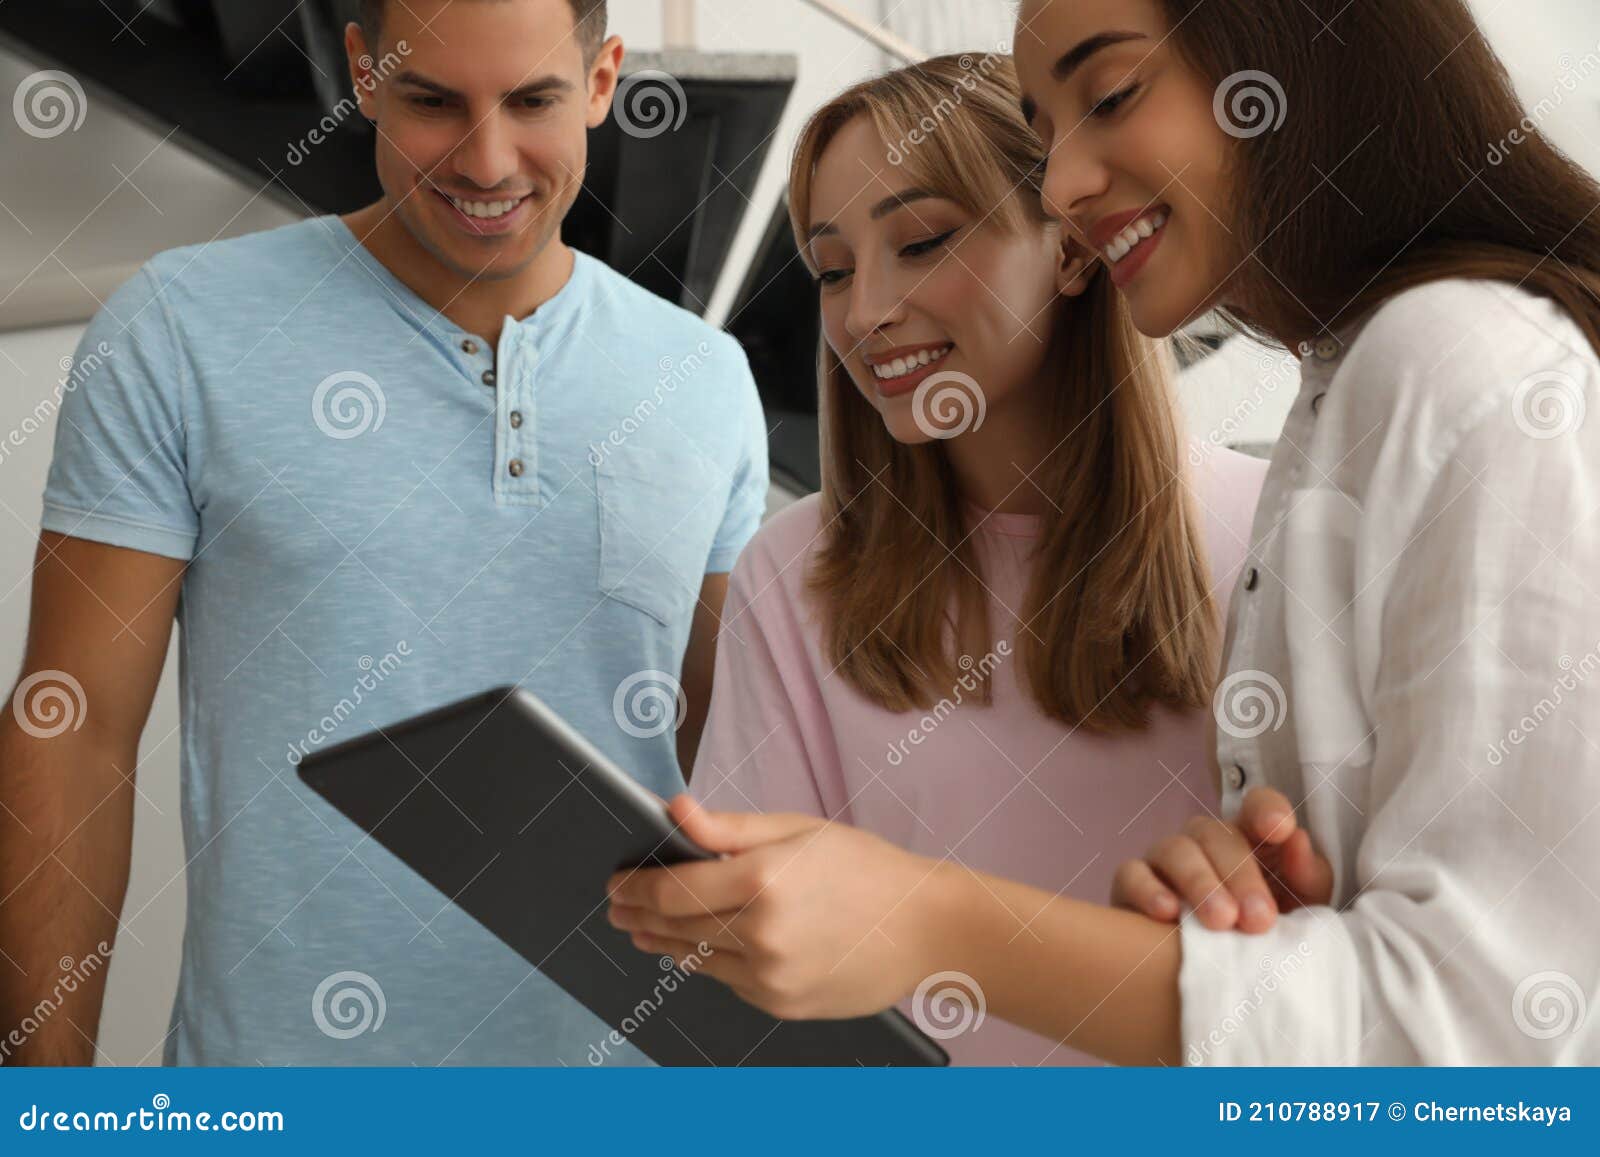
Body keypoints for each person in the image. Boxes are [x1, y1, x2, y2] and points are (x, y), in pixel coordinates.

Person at [606, 0, 1600, 1065]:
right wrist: (1252, 923)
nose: (1067, 183)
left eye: (1112, 96)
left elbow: (1493, 1032)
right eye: (833, 267)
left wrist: (932, 921)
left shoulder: (1440, 363)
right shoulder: (1344, 392)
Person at [0, 0, 767, 1065]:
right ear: (363, 75)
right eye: (431, 99)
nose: (487, 160)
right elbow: (71, 735)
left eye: (534, 99)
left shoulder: (704, 378)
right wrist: (45, 1110)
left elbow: (732, 771)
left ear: (602, 82)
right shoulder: (177, 331)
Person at [630, 53, 1264, 1066]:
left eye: (921, 242)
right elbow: (750, 1007)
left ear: (1069, 248)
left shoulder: (1270, 533)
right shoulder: (793, 580)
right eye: (832, 268)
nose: (865, 311)